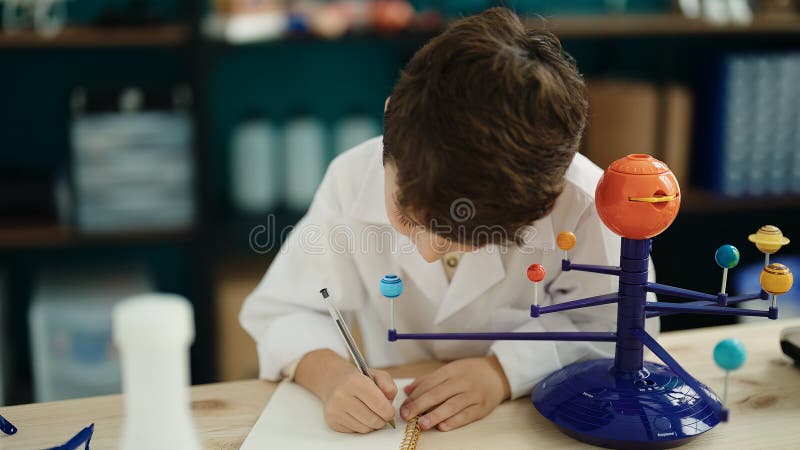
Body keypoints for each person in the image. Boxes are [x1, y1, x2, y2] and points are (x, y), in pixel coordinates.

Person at [240, 6, 657, 435]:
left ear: (542, 204)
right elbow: (284, 311)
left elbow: (615, 329)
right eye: (404, 214)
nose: (425, 249)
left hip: (525, 421)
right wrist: (332, 377)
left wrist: (501, 372)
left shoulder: (587, 202)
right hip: (403, 419)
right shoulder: (351, 178)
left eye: (468, 238)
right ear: (390, 121)